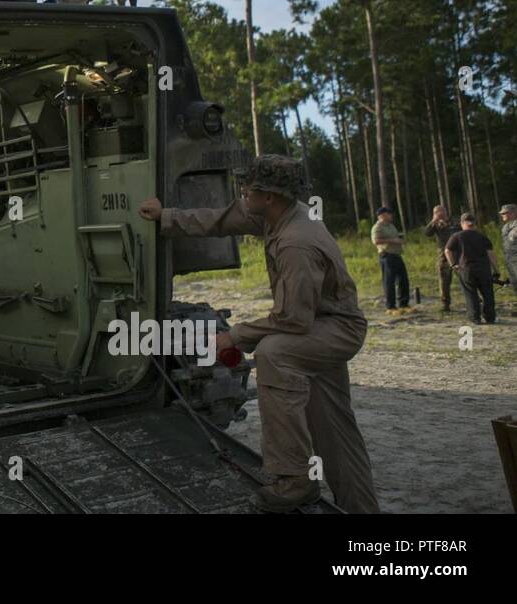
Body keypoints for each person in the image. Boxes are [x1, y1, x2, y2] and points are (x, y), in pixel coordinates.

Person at [138, 155, 379, 513]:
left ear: (268, 196)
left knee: (275, 354)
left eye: (247, 187)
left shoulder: (296, 242)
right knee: (333, 425)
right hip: (317, 324)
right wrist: (165, 216)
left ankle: (294, 479)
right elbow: (218, 219)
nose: (241, 192)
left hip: (333, 328)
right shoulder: (278, 212)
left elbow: (293, 320)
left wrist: (233, 337)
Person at [445, 213, 501, 325]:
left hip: (466, 269)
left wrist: (453, 264)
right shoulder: (482, 236)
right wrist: (496, 269)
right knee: (488, 293)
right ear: (474, 224)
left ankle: (475, 318)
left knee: (470, 293)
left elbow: (447, 250)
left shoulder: (456, 236)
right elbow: (490, 253)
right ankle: (490, 317)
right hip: (483, 269)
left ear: (462, 223)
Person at [371, 206, 411, 312]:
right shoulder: (377, 227)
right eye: (389, 214)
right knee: (389, 282)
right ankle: (391, 306)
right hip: (387, 255)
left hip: (397, 255)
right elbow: (376, 241)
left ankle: (404, 304)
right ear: (382, 215)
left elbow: (396, 236)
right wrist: (393, 240)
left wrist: (400, 239)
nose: (391, 215)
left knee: (403, 279)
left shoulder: (391, 226)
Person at [423, 206, 460, 312]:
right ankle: (445, 303)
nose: (440, 213)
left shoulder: (455, 221)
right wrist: (433, 221)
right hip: (443, 255)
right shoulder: (436, 224)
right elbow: (427, 233)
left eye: (441, 211)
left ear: (446, 211)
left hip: (458, 254)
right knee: (444, 280)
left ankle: (474, 299)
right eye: (436, 212)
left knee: (464, 277)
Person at [500, 203, 517, 286]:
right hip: (509, 260)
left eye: (504, 213)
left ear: (513, 213)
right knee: (514, 283)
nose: (502, 215)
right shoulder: (505, 227)